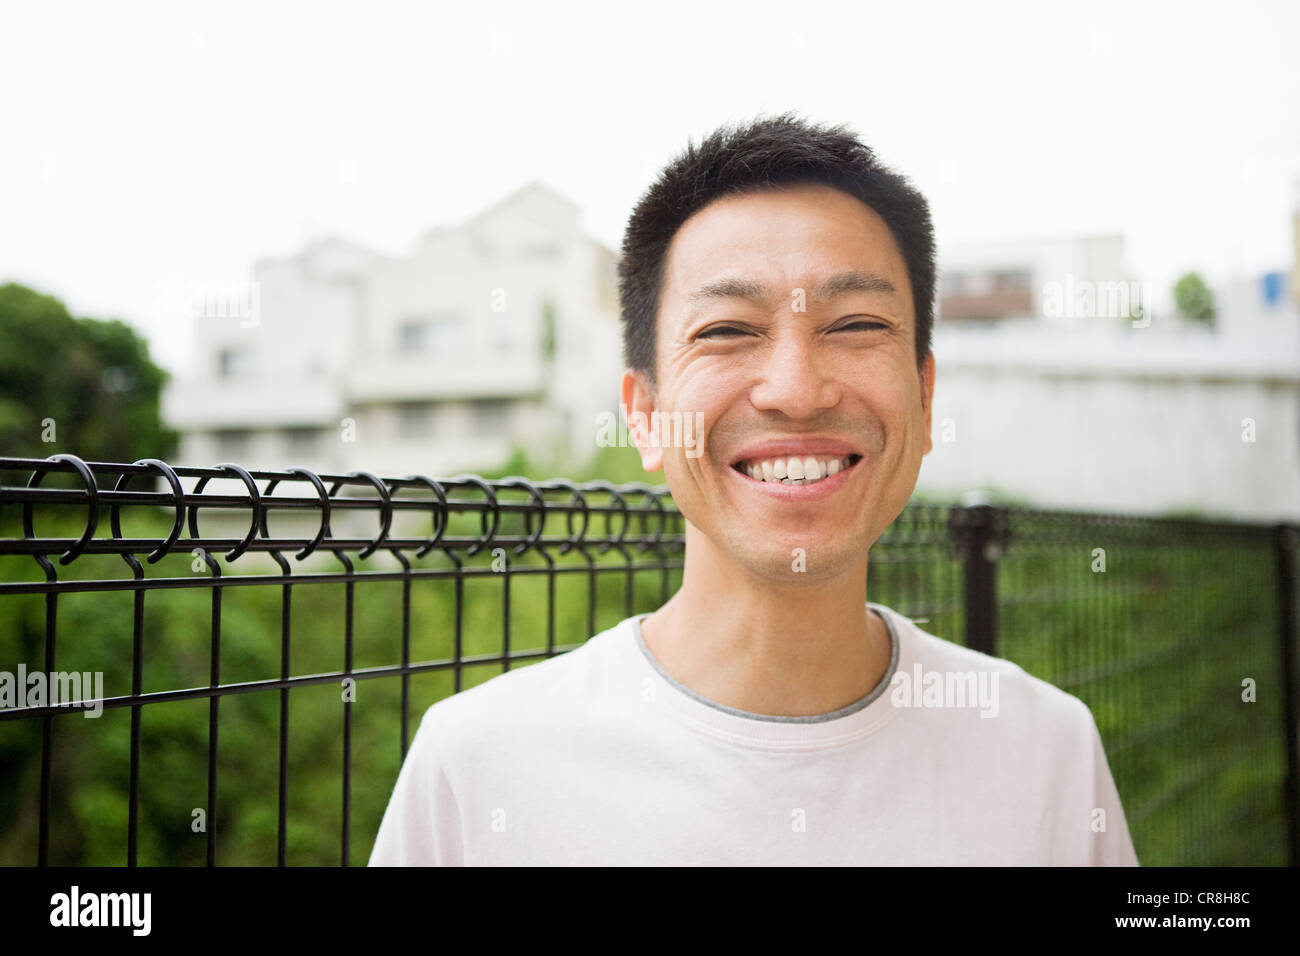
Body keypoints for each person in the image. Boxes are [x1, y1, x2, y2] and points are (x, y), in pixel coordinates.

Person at [368, 114, 1139, 866]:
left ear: (926, 398)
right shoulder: (475, 770)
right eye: (728, 330)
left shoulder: (1046, 753)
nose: (797, 391)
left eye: (855, 323)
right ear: (645, 416)